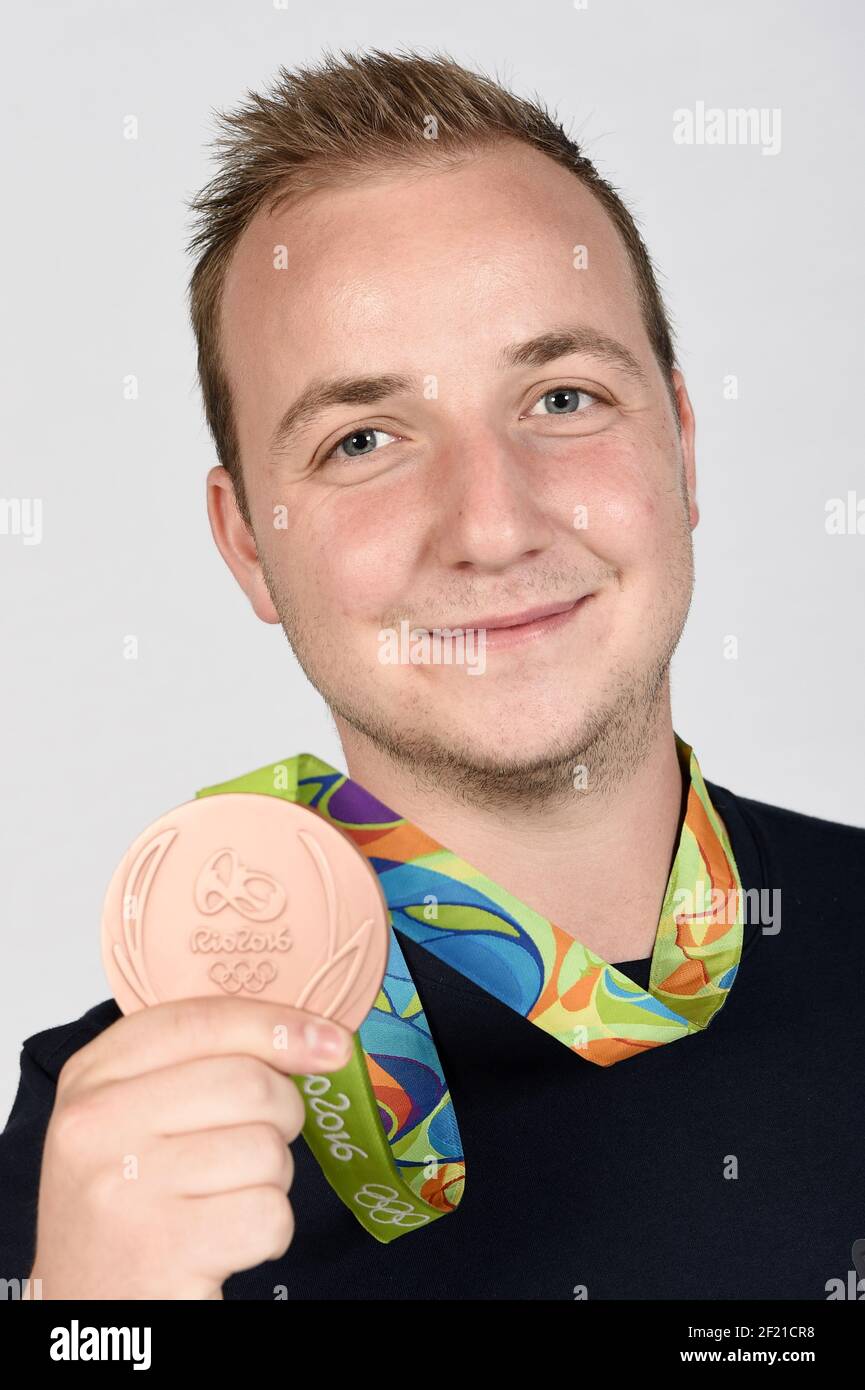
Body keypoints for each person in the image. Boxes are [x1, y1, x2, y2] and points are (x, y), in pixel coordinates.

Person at [2, 48, 863, 1302]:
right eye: (364, 438)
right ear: (248, 541)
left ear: (679, 448)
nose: (493, 522)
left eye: (562, 396)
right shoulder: (110, 1154)